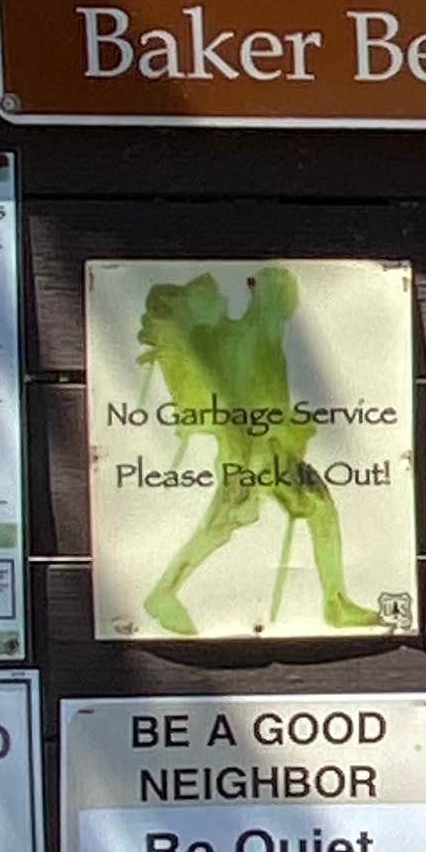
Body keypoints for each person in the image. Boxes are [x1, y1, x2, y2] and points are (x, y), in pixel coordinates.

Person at [134, 265, 382, 634]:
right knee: (222, 525)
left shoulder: (213, 340)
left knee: (318, 508)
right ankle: (163, 592)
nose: (220, 298)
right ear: (197, 311)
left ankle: (336, 600)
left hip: (268, 449)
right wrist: (262, 287)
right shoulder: (227, 338)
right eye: (210, 298)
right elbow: (275, 297)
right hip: (255, 454)